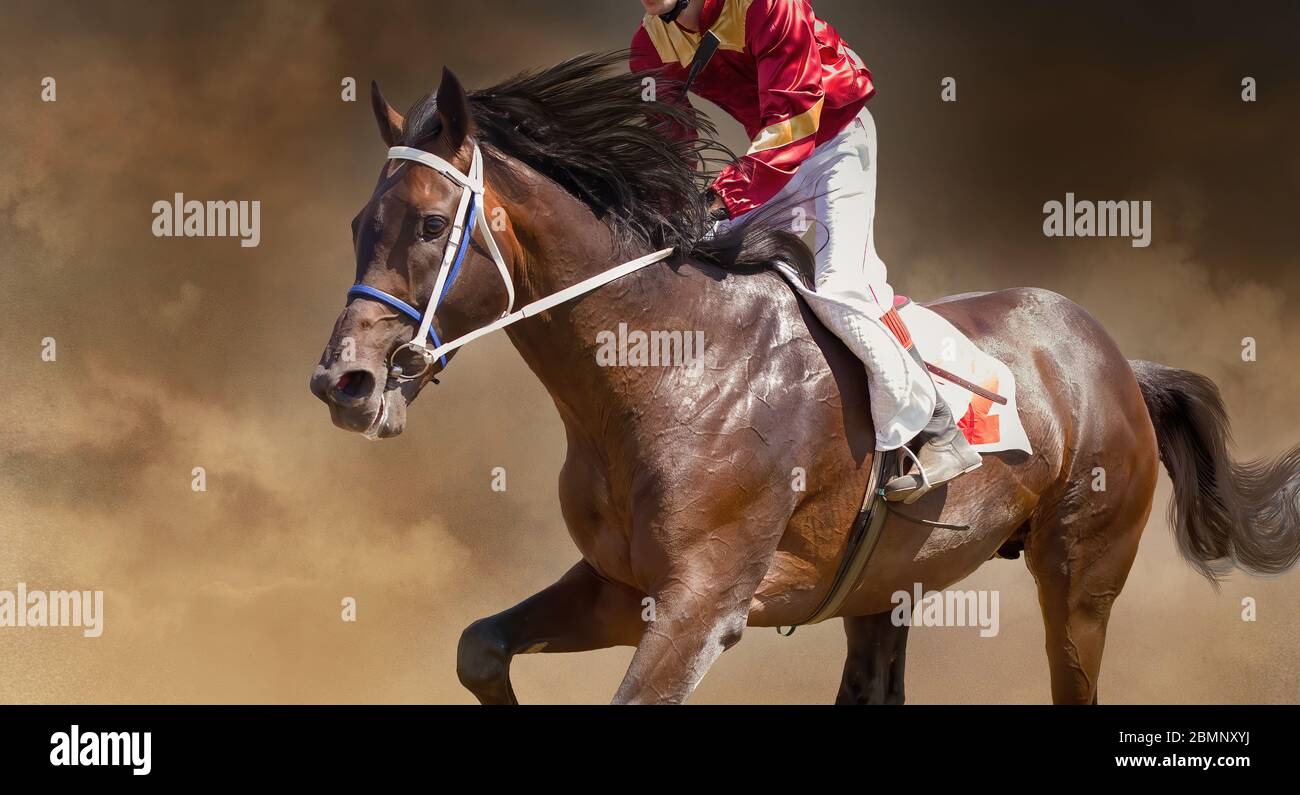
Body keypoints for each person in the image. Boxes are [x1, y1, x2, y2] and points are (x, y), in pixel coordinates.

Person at [630, 0, 981, 502]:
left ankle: (937, 428)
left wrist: (720, 197)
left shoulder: (768, 5)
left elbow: (795, 117)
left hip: (836, 141)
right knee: (693, 256)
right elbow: (672, 138)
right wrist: (675, 208)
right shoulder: (650, 43)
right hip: (770, 161)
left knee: (842, 284)